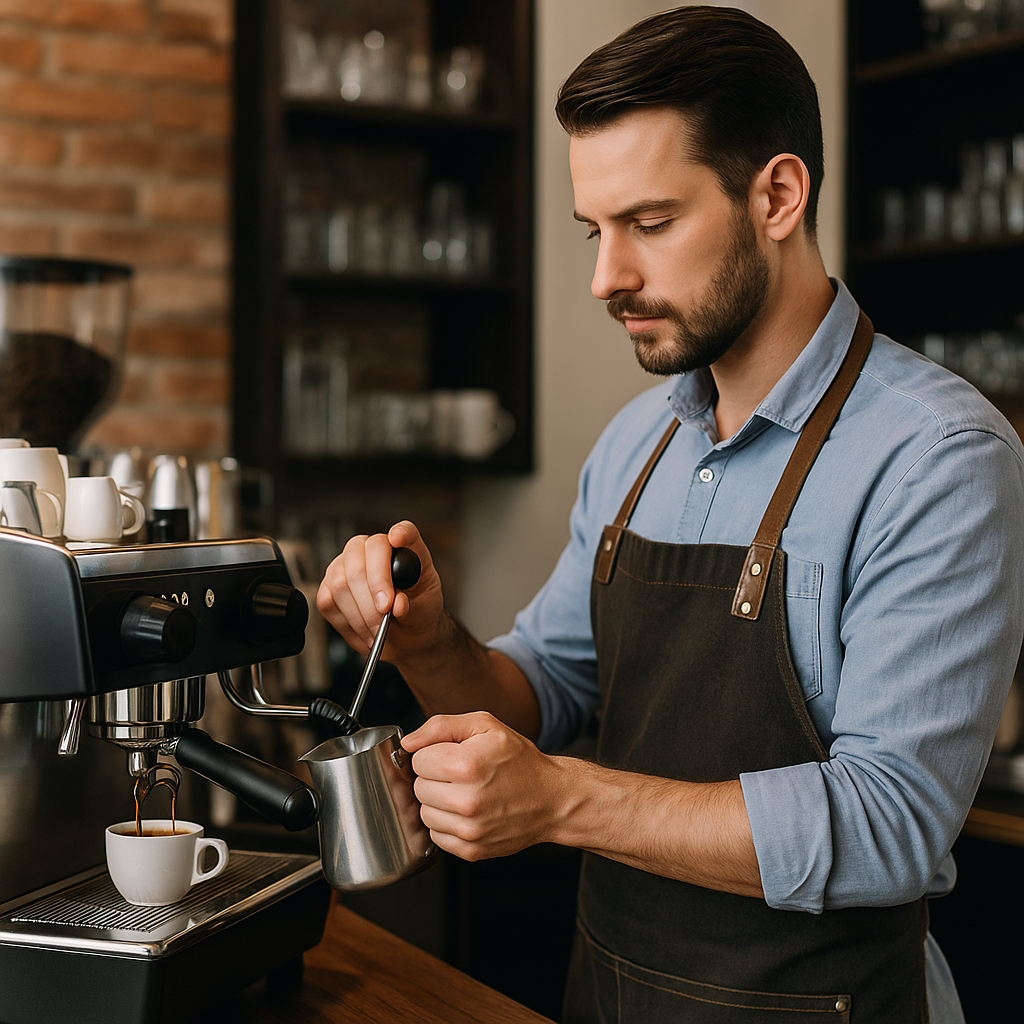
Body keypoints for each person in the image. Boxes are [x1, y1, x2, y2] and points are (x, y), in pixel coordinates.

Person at [317, 7, 1024, 1022]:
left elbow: (891, 823)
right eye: (594, 231)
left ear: (776, 194)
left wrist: (563, 799)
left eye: (648, 224)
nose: (607, 277)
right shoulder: (636, 443)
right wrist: (428, 642)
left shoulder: (936, 458)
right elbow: (540, 694)